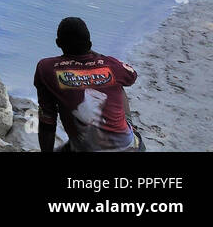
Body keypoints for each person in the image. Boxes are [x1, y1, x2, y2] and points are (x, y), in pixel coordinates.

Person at [34, 17, 144, 152]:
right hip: (129, 148)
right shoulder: (111, 65)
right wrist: (99, 60)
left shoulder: (47, 68)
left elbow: (47, 120)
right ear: (90, 44)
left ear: (58, 43)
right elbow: (132, 76)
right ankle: (130, 126)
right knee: (117, 84)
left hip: (85, 146)